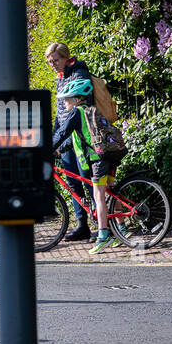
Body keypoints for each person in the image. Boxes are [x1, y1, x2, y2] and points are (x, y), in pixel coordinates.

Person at [51, 77, 121, 255]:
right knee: (109, 192)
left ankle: (103, 236)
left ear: (75, 99)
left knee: (98, 195)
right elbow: (75, 139)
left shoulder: (76, 113)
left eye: (67, 98)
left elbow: (61, 132)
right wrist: (58, 151)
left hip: (98, 158)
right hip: (110, 153)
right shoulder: (90, 111)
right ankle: (122, 230)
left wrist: (45, 148)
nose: (64, 102)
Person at [45, 42, 94, 241]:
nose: (53, 64)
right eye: (50, 62)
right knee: (74, 184)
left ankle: (101, 224)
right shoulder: (61, 77)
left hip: (80, 139)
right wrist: (53, 139)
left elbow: (80, 108)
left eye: (56, 60)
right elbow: (60, 114)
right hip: (66, 141)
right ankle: (82, 225)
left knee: (88, 181)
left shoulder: (79, 73)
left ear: (66, 57)